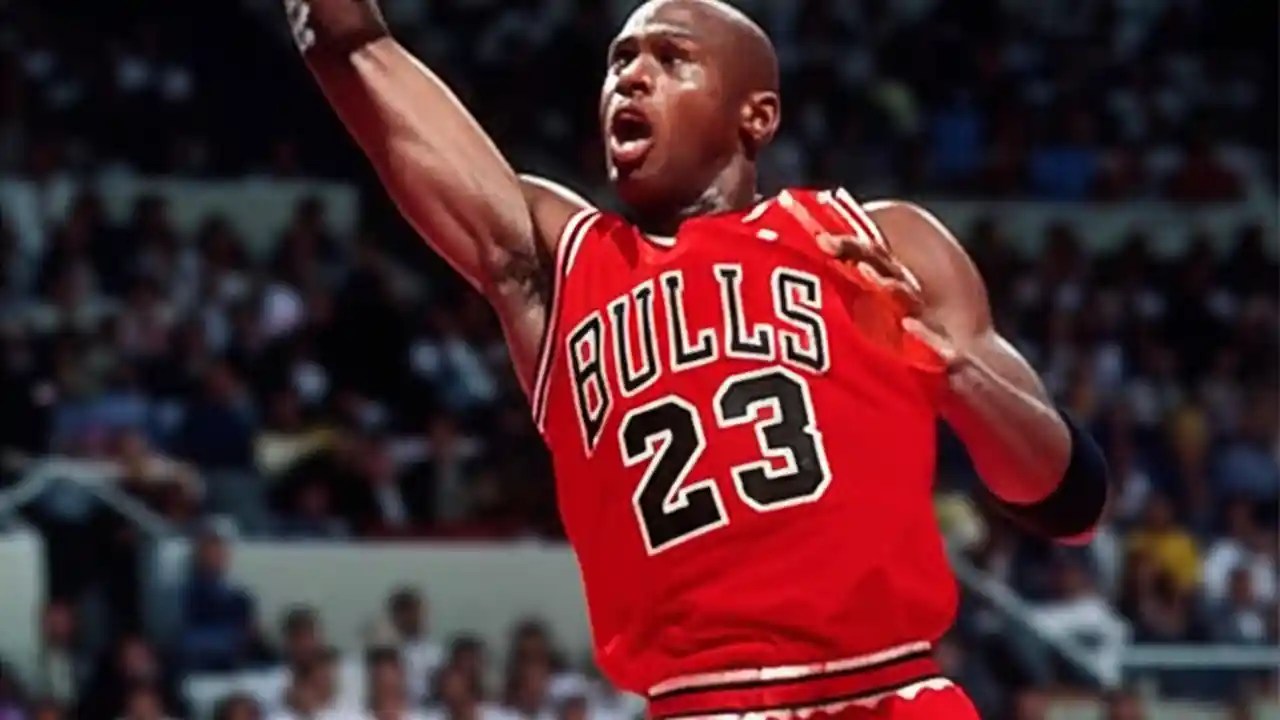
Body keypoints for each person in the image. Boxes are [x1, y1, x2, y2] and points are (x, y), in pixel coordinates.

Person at [284, 0, 1109, 717]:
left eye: (671, 59)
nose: (630, 77)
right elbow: (353, 46)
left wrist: (954, 374)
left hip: (883, 691)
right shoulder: (557, 261)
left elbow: (1069, 502)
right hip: (695, 700)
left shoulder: (877, 239)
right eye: (619, 62)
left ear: (756, 117)